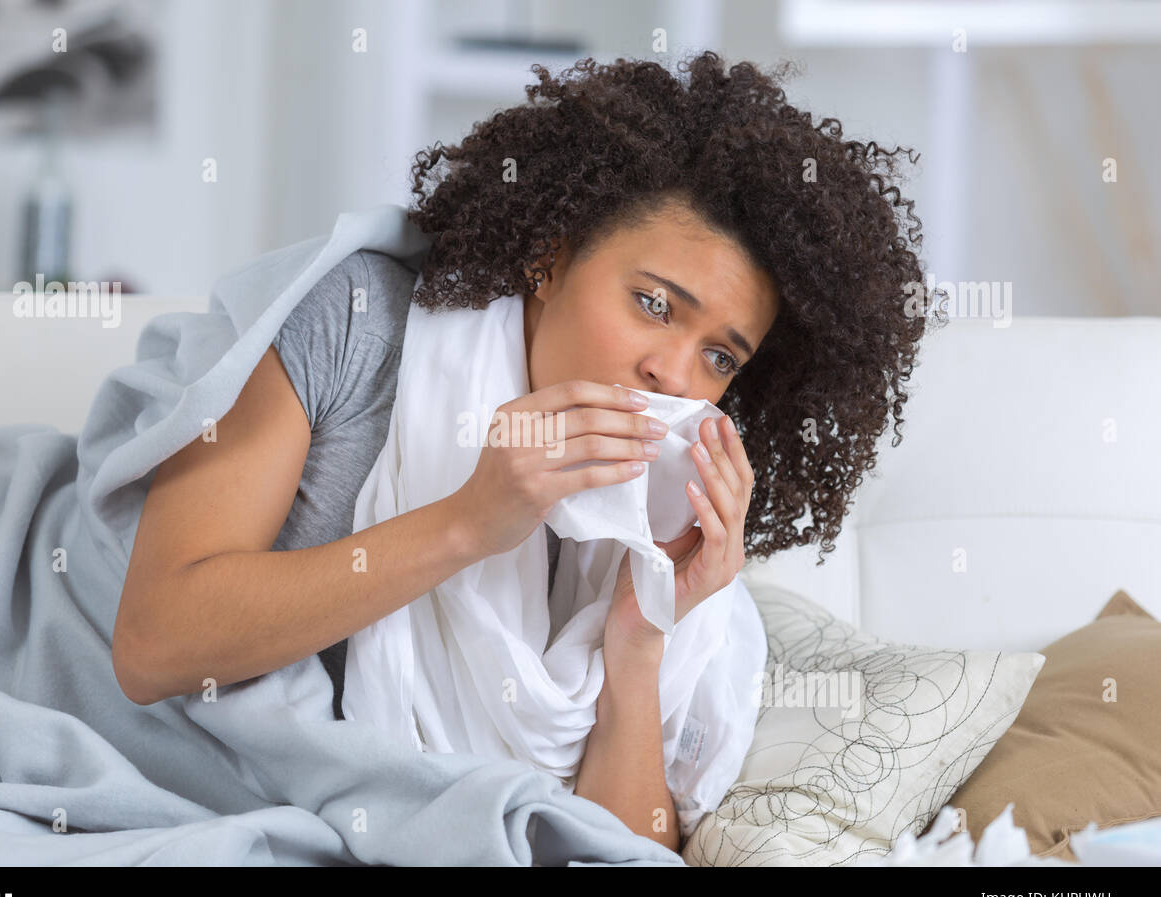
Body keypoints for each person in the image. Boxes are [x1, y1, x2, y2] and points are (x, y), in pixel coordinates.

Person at [109, 51, 935, 851]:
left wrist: (640, 640)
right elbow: (152, 646)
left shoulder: (659, 506)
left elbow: (622, 847)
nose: (672, 373)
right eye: (652, 304)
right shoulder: (356, 324)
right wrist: (469, 522)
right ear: (550, 258)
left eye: (721, 357)